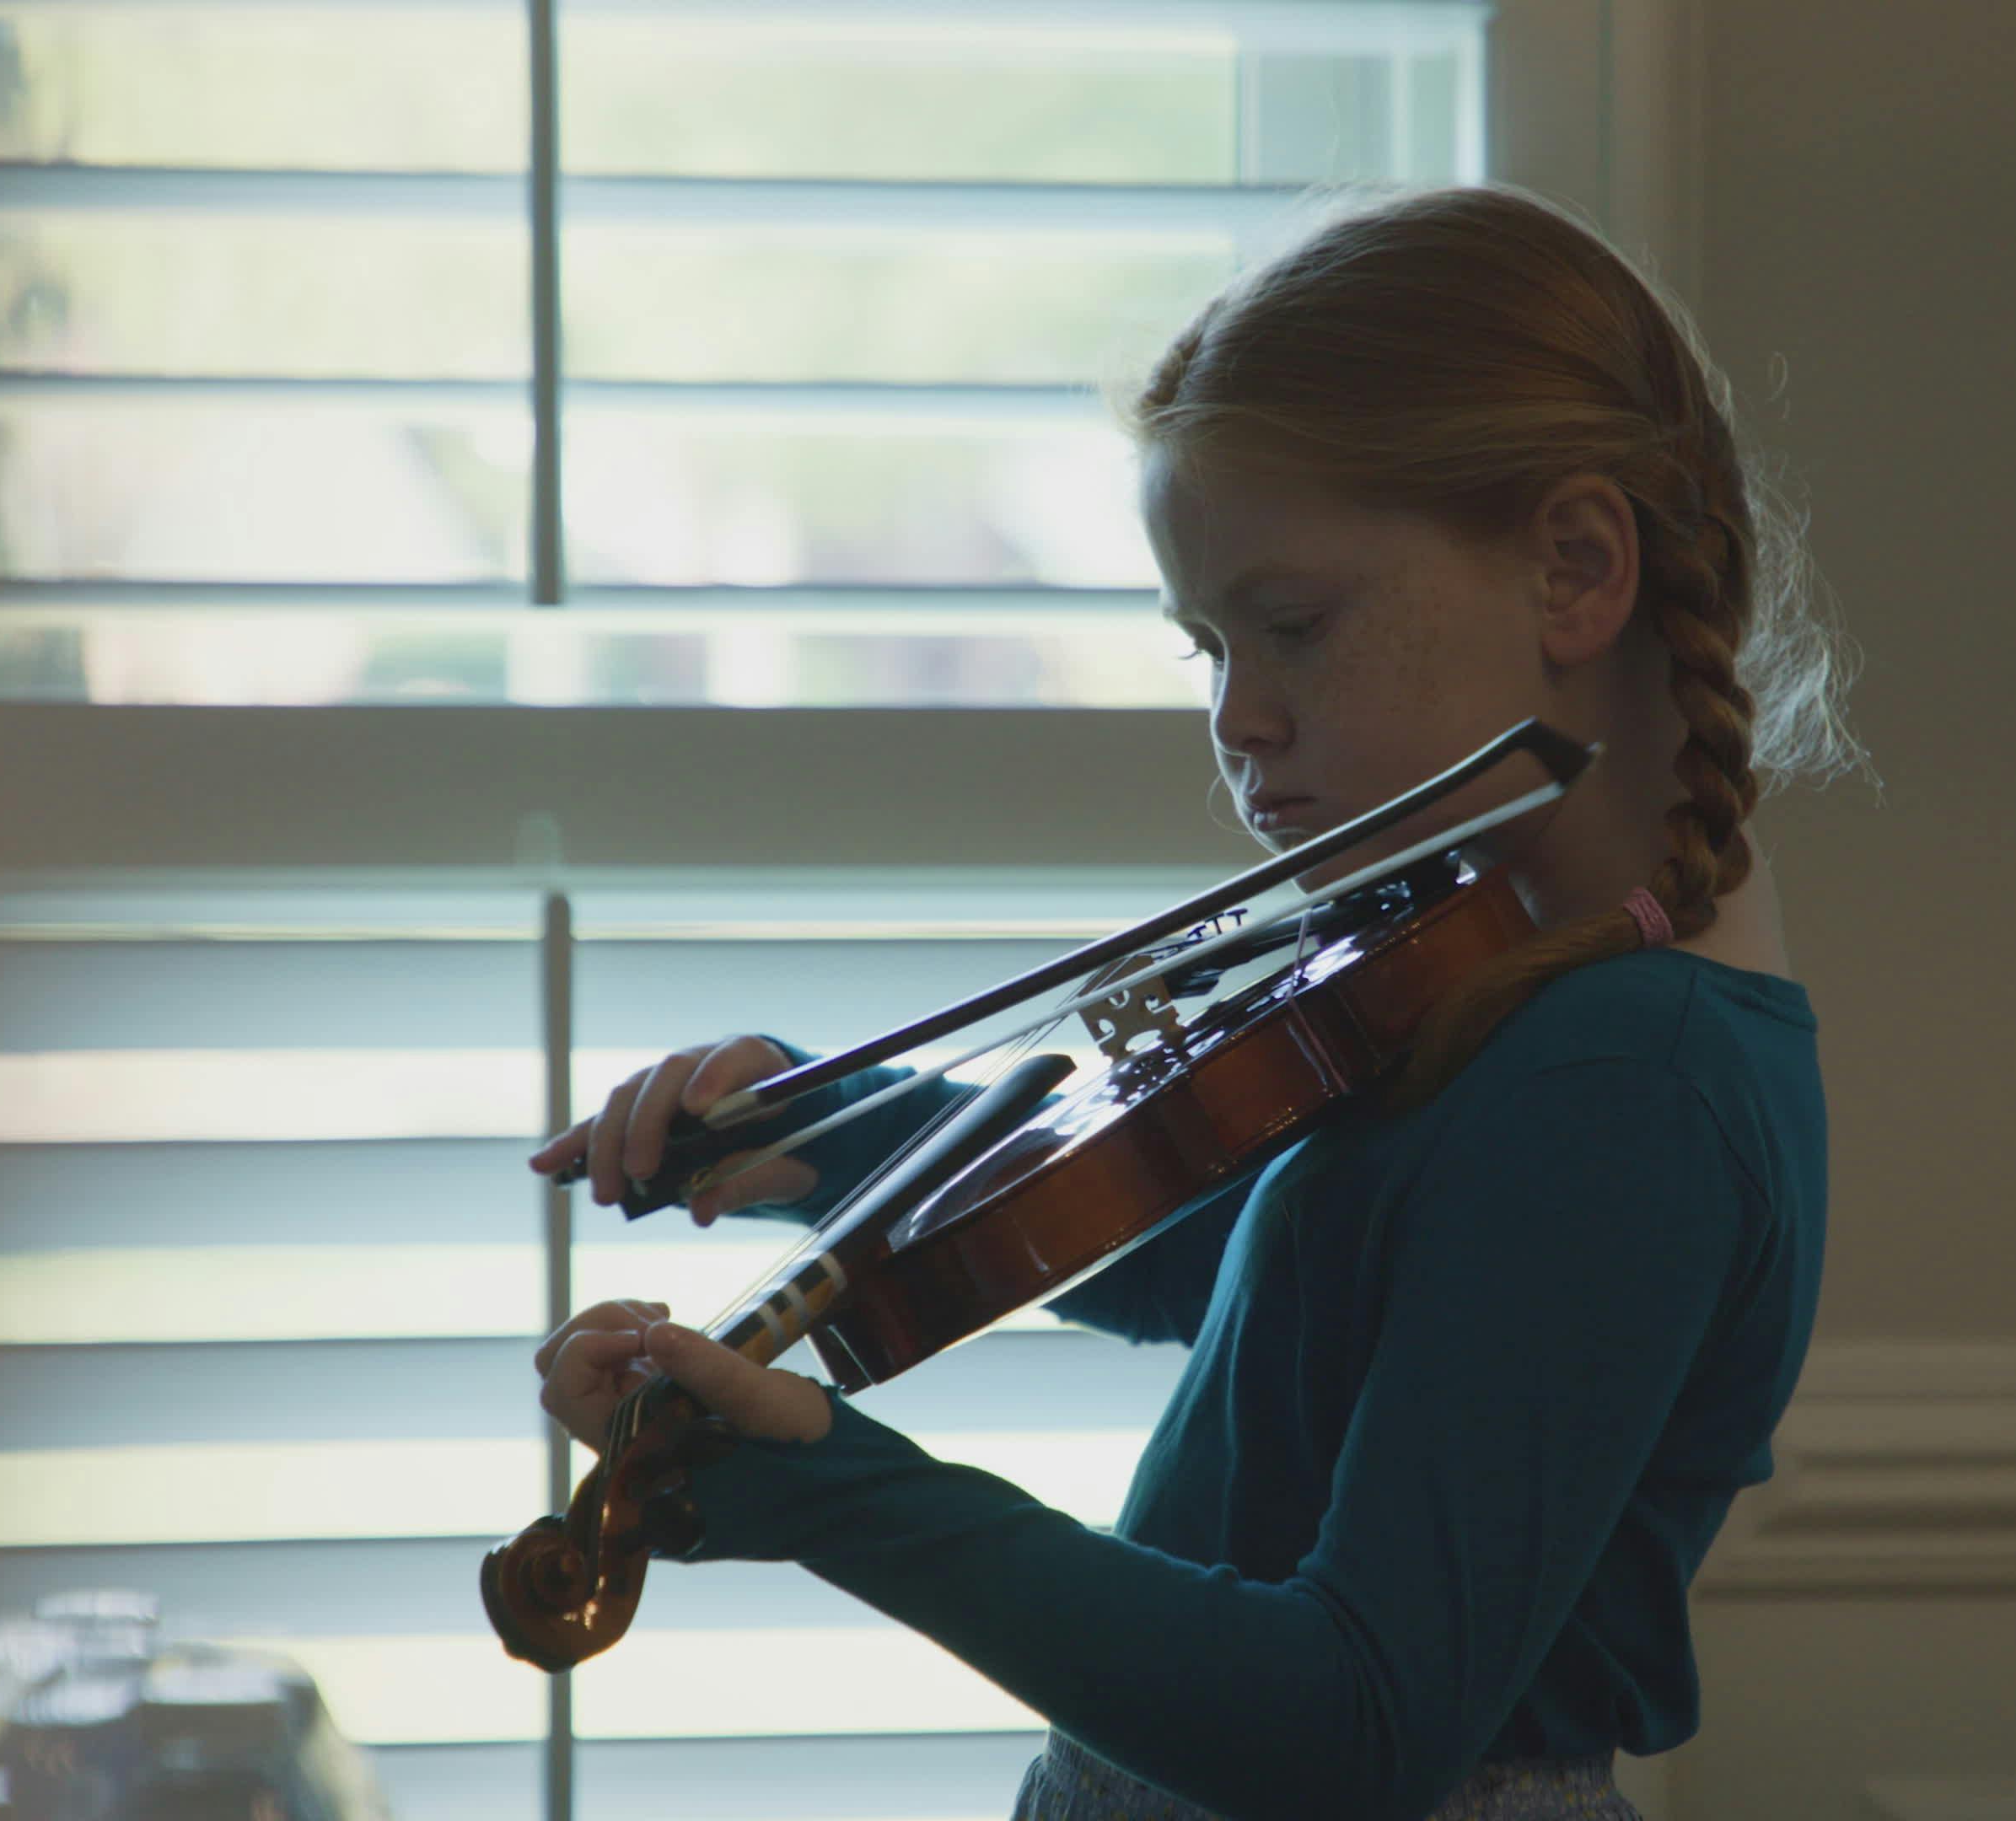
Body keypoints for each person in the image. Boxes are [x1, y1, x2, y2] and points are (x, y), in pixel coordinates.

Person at [525, 184, 1864, 1821]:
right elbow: (1266, 1286)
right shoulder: (1501, 982)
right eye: (1202, 650)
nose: (1238, 721)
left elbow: (1351, 1728)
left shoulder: (1624, 1072)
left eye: (1290, 626)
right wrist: (846, 1136)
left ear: (1574, 569)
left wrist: (832, 1486)